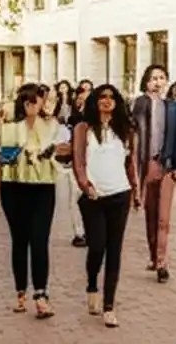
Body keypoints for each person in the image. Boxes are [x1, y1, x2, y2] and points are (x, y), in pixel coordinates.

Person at [72, 83, 142, 328]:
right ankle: (92, 284)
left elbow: (131, 162)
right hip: (94, 197)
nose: (107, 100)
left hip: (119, 194)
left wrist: (135, 191)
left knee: (114, 251)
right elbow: (78, 160)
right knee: (97, 246)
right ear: (95, 100)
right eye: (102, 96)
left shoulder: (125, 129)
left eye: (112, 97)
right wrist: (85, 185)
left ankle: (109, 305)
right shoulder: (84, 128)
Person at [0, 82, 65, 319]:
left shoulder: (52, 126)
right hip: (14, 188)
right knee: (20, 240)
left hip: (43, 188)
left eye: (40, 100)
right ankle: (20, 291)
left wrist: (55, 152)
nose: (36, 105)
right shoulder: (10, 127)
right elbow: (5, 157)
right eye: (30, 101)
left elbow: (62, 155)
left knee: (39, 240)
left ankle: (41, 293)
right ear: (23, 103)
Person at [130, 64, 176, 283]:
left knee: (164, 218)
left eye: (162, 77)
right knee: (150, 213)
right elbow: (133, 137)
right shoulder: (139, 104)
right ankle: (153, 255)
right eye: (154, 78)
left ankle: (162, 262)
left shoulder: (173, 107)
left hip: (167, 165)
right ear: (146, 81)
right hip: (148, 164)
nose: (158, 82)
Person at [56, 83, 88, 247]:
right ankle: (79, 232)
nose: (83, 97)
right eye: (81, 93)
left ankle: (89, 230)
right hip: (75, 162)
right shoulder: (73, 118)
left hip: (91, 162)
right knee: (75, 197)